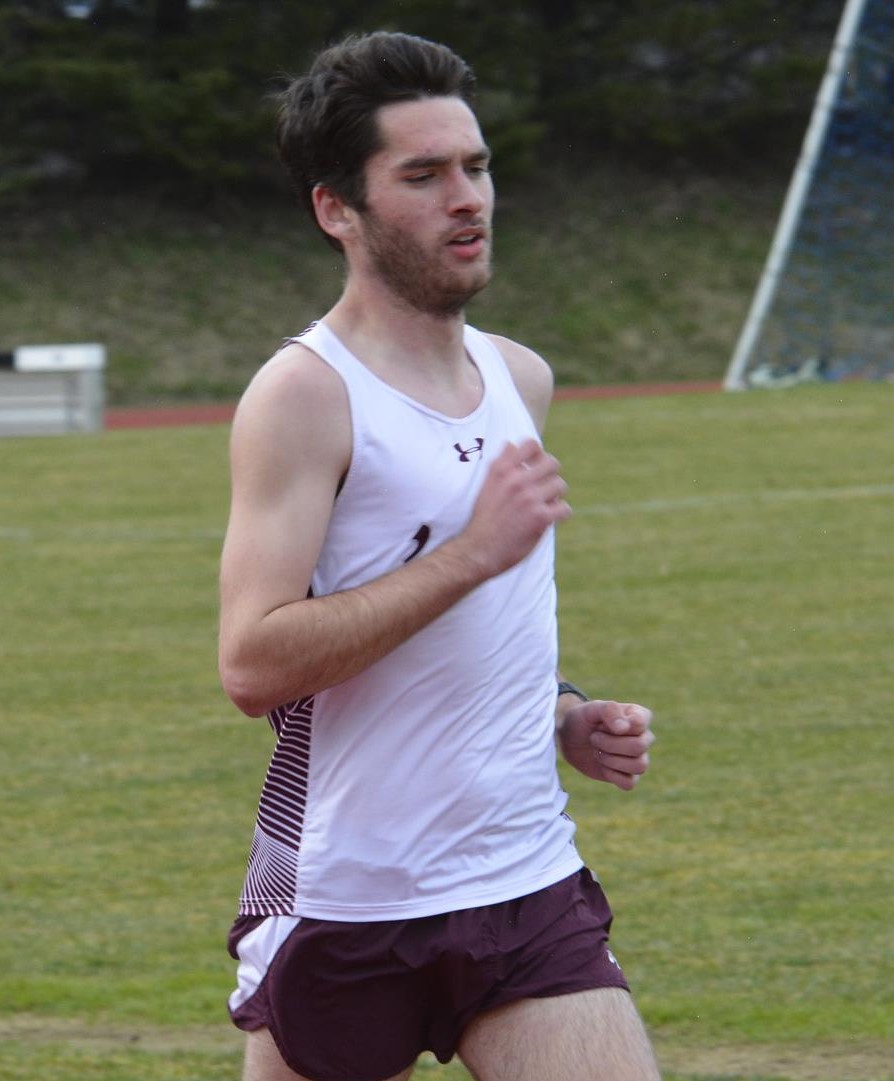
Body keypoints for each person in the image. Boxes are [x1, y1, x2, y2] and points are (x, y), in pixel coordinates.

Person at [216, 31, 660, 1081]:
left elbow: (477, 632)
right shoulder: (303, 397)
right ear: (337, 208)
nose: (466, 197)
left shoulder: (520, 379)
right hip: (350, 900)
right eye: (421, 175)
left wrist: (559, 711)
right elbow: (254, 663)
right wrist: (471, 553)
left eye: (475, 166)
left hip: (522, 885)